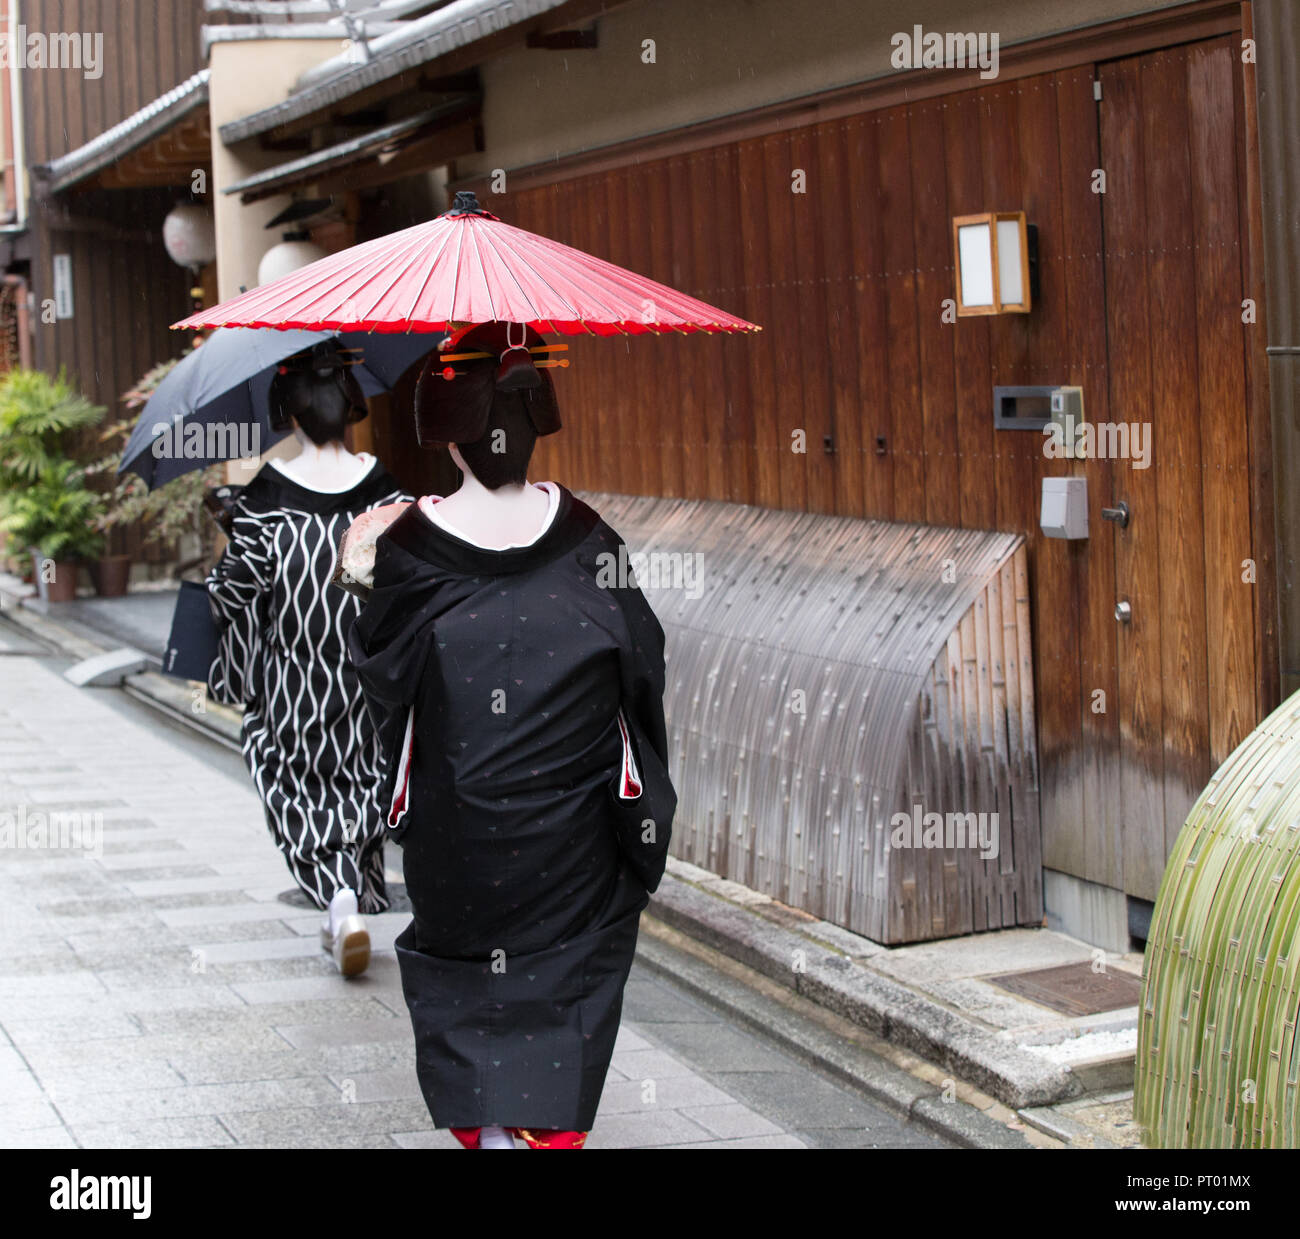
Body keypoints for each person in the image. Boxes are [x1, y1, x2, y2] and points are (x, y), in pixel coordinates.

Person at [339, 321, 676, 1149]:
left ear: (448, 439)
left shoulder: (407, 548)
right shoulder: (594, 540)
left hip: (459, 837)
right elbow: (645, 669)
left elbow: (379, 682)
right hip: (576, 842)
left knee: (465, 994)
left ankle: (487, 1133)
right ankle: (537, 1134)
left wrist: (362, 573)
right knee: (567, 993)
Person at [206, 340, 410, 977]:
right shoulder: (384, 491)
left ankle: (341, 902)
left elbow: (231, 595)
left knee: (291, 782)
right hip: (365, 683)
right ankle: (343, 908)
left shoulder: (266, 498)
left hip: (292, 682)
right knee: (361, 787)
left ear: (286, 410)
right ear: (353, 402)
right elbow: (398, 585)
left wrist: (227, 526)